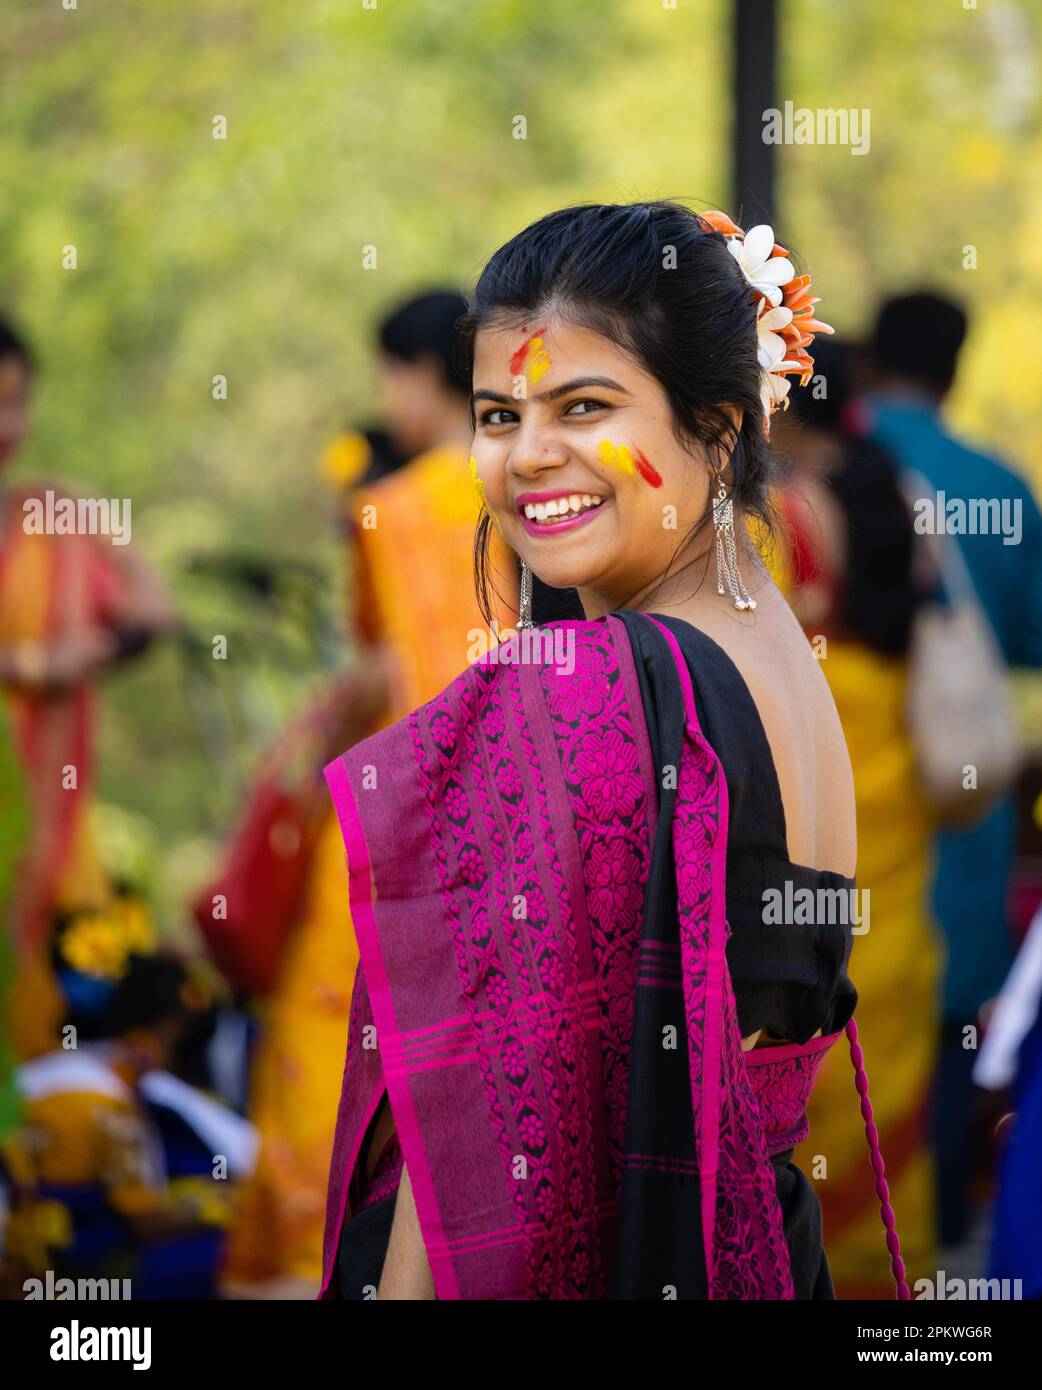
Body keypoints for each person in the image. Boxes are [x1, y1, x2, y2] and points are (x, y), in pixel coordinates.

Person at [318, 203, 901, 1300]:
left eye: (584, 406)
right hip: (764, 1254)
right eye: (499, 414)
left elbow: (476, 1163)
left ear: (720, 429)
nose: (530, 457)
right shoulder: (777, 651)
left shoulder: (584, 691)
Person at [222, 292, 517, 1296]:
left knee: (330, 1017)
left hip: (400, 811)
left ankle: (309, 1253)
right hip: (513, 810)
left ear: (415, 373)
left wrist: (310, 754)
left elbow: (389, 681)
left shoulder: (388, 513)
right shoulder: (524, 486)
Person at [866, 293, 1042, 1250]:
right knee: (942, 1031)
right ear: (958, 364)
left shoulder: (809, 470)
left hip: (839, 804)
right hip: (957, 805)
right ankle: (921, 1272)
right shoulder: (998, 487)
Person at [769, 338, 939, 1297]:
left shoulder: (791, 508)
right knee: (894, 1016)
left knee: (824, 1036)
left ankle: (828, 1267)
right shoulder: (897, 490)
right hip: (896, 780)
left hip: (828, 764)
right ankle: (893, 1272)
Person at [0, 316, 177, 1060]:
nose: (7, 424)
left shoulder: (45, 520)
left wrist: (99, 522)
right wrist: (33, 667)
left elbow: (155, 611)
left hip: (41, 828)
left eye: (17, 401)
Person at [1, 934, 237, 1297]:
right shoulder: (113, 1109)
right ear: (163, 1031)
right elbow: (145, 1222)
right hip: (59, 1272)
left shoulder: (40, 1072)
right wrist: (225, 1211)